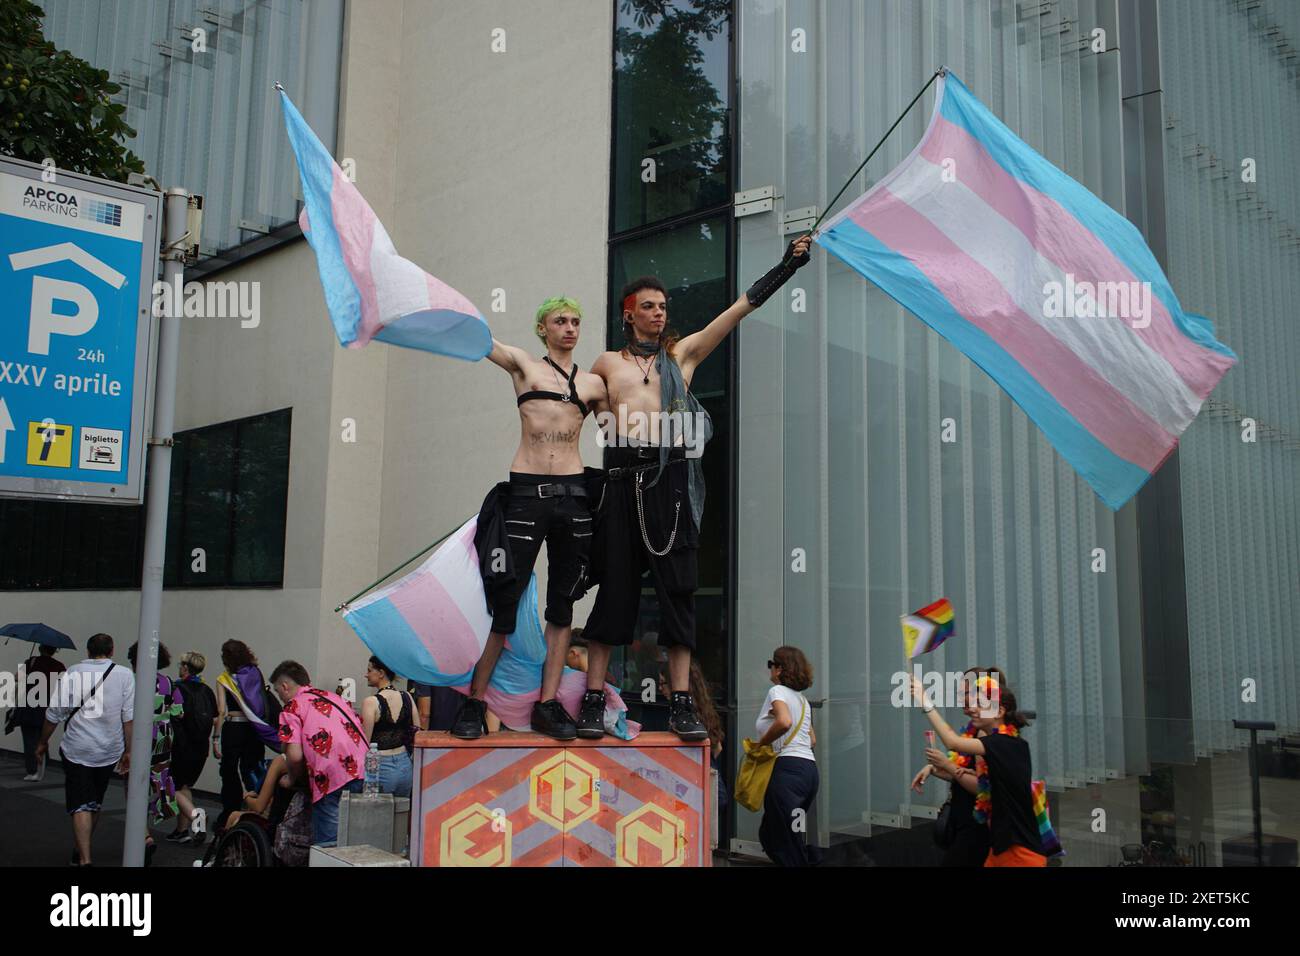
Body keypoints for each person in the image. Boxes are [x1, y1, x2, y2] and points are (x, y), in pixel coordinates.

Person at [580, 237, 812, 740]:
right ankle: (594, 699)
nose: (659, 314)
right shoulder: (606, 364)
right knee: (614, 591)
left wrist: (787, 266)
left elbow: (737, 311)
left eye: (663, 307)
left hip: (670, 486)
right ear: (629, 314)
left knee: (679, 593)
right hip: (622, 482)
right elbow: (586, 409)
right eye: (649, 307)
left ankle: (683, 701)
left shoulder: (681, 356)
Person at [457, 295, 608, 741]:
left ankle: (548, 703)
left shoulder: (595, 383)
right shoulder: (524, 365)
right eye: (560, 321)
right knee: (504, 600)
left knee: (563, 606)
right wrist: (445, 309)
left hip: (574, 496)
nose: (569, 328)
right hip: (525, 494)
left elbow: (620, 428)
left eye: (576, 321)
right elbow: (481, 340)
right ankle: (473, 703)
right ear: (542, 328)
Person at [911, 669, 1046, 867]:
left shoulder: (1004, 743)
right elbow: (989, 785)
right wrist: (953, 770)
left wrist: (925, 700)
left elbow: (952, 743)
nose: (972, 708)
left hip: (1019, 853)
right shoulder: (1002, 743)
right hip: (1000, 849)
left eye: (980, 704)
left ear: (999, 711)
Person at [34, 633, 135, 867]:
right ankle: (81, 850)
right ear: (111, 651)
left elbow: (54, 713)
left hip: (77, 748)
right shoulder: (124, 675)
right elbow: (128, 719)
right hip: (109, 750)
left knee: (80, 803)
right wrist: (129, 751)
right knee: (95, 801)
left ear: (88, 651)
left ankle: (85, 858)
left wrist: (42, 742)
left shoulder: (74, 672)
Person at [269, 661, 370, 847]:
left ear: (284, 687)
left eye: (277, 691)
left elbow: (295, 755)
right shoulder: (334, 697)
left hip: (330, 777)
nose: (280, 697)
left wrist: (291, 778)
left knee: (329, 848)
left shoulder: (292, 707)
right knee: (355, 842)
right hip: (364, 771)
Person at [910, 666, 1001, 866]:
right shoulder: (976, 730)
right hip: (965, 823)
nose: (962, 700)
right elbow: (964, 773)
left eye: (967, 693)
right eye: (960, 693)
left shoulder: (988, 735)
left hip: (976, 828)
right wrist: (937, 768)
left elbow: (983, 788)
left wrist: (925, 701)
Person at [754, 645, 820, 866]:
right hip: (809, 772)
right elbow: (812, 740)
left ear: (780, 669)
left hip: (787, 771)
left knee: (782, 839)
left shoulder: (777, 692)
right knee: (778, 834)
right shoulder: (802, 701)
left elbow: (784, 721)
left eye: (771, 665)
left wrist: (761, 743)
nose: (770, 669)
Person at [127, 641, 184, 861]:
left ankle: (142, 835)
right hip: (164, 735)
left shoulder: (133, 682)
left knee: (132, 783)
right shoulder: (168, 683)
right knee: (158, 779)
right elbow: (179, 712)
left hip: (141, 734)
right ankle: (160, 811)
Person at [213, 640, 275, 829]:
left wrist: (215, 738)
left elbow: (221, 711)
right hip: (254, 728)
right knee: (252, 768)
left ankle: (229, 811)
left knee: (229, 770)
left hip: (233, 728)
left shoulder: (223, 679)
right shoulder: (255, 673)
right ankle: (256, 807)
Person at [168, 650, 218, 844]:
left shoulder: (176, 688)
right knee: (185, 785)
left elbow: (172, 714)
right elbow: (215, 717)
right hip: (200, 747)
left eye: (181, 665)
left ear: (186, 668)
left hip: (181, 745)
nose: (179, 668)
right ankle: (181, 831)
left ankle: (197, 817)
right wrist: (215, 740)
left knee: (170, 785)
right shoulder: (206, 690)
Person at [359, 656, 415, 798]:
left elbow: (365, 742)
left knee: (377, 816)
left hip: (380, 766)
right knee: (401, 815)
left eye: (369, 670)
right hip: (405, 766)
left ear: (381, 673)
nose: (366, 674)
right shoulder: (407, 697)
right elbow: (417, 732)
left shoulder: (370, 702)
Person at [16, 644, 65, 781]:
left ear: (40, 648)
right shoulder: (59, 665)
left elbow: (16, 677)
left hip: (30, 706)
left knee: (30, 738)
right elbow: (63, 684)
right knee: (42, 736)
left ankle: (33, 770)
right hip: (48, 706)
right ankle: (42, 764)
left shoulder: (32, 661)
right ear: (55, 650)